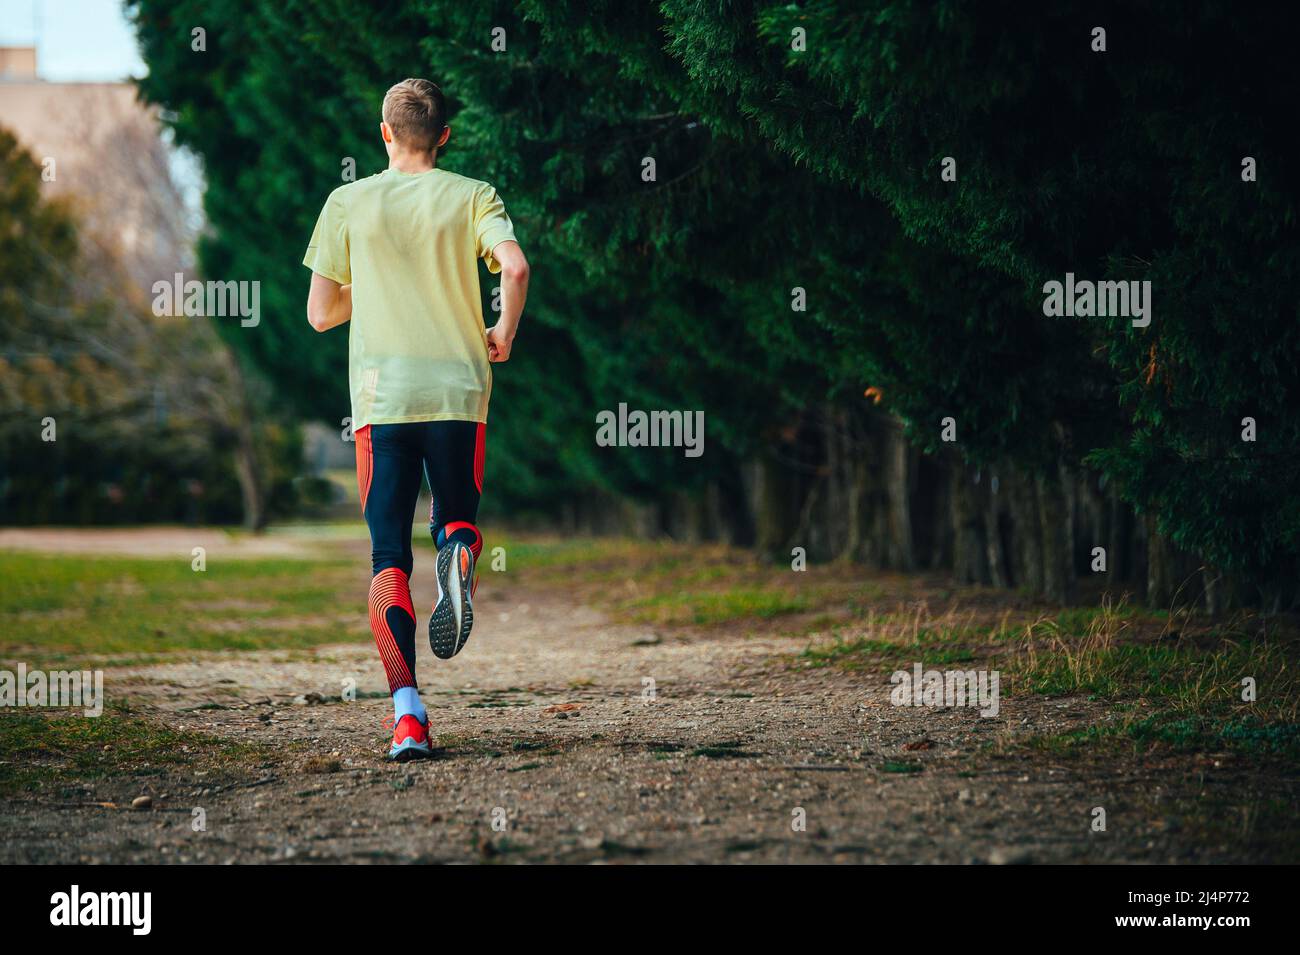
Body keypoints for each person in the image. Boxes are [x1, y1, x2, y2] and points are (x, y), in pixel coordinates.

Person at [302, 78, 529, 760]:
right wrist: (503, 332)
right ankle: (458, 544)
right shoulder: (473, 195)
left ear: (384, 133)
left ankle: (408, 715)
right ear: (446, 137)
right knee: (458, 513)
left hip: (383, 400)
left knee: (386, 557)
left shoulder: (349, 201)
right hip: (459, 390)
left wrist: (371, 280)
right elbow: (513, 268)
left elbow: (318, 314)